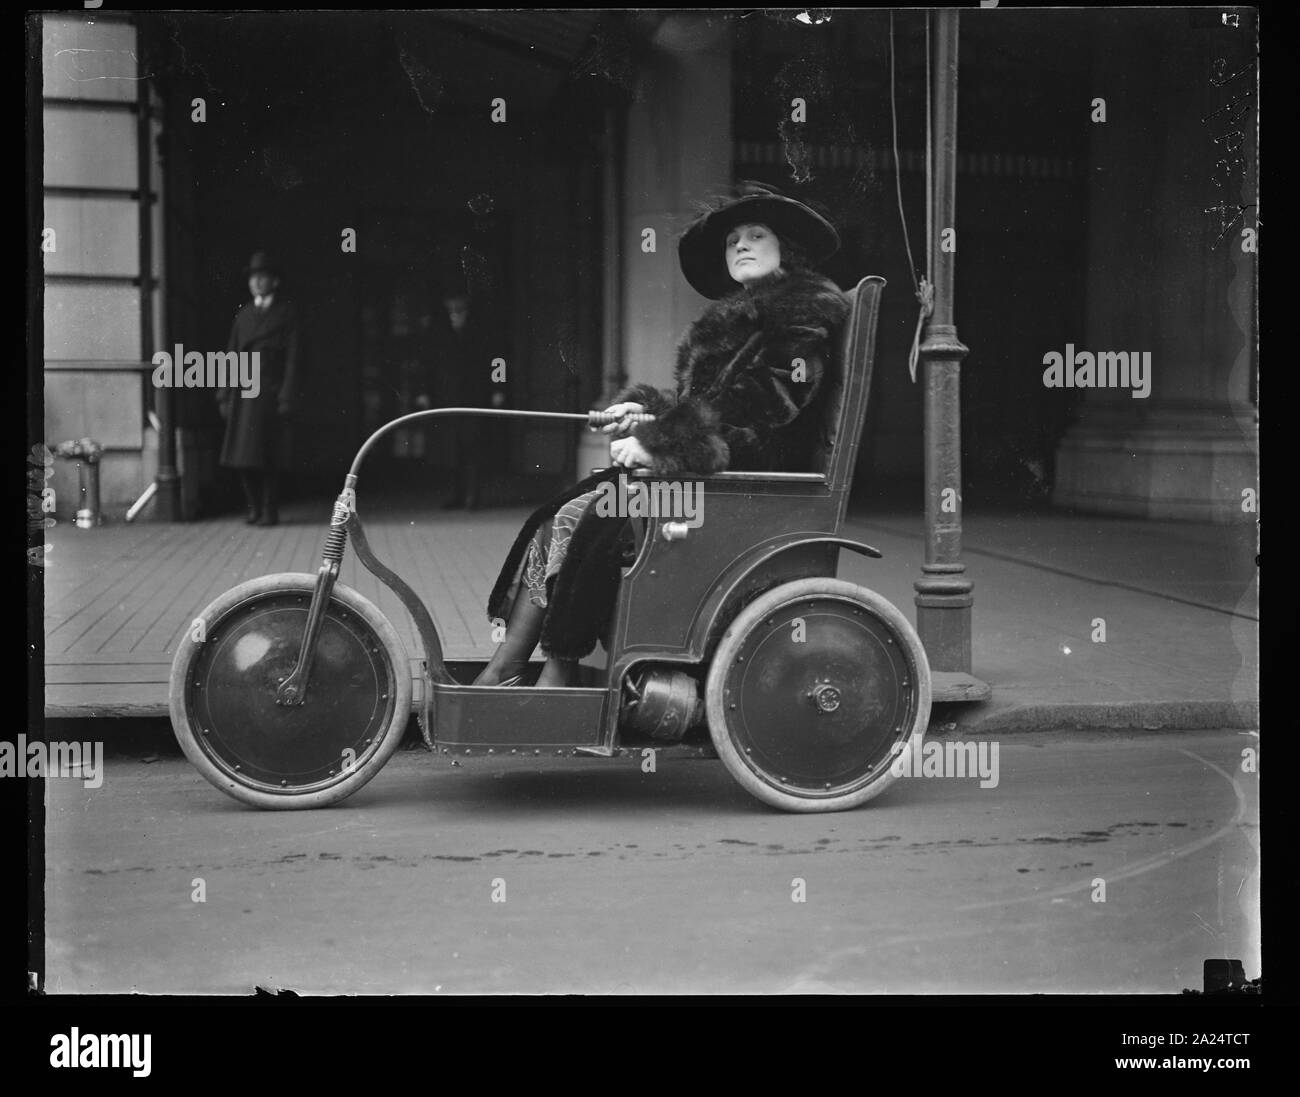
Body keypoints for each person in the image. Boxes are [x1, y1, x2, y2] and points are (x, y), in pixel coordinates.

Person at [475, 183, 850, 688]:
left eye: (756, 235)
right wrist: (646, 413)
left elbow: (766, 413)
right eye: (732, 239)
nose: (740, 245)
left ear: (789, 249)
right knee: (567, 512)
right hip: (711, 480)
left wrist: (659, 445)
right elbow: (708, 406)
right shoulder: (742, 321)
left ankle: (558, 667)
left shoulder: (801, 321)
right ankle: (514, 667)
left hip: (749, 487)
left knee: (603, 511)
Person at [218, 251, 301, 526]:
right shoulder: (244, 316)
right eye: (253, 278)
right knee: (242, 457)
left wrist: (286, 395)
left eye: (262, 277)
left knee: (268, 457)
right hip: (245, 394)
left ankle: (269, 510)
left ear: (274, 282)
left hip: (270, 392)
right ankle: (253, 507)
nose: (256, 283)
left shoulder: (287, 313)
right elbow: (231, 356)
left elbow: (293, 358)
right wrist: (225, 394)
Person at [424, 288, 496, 509]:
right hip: (448, 398)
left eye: (459, 309)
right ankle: (457, 495)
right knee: (452, 451)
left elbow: (496, 359)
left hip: (473, 397)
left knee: (472, 448)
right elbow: (430, 365)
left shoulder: (478, 331)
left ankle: (472, 496)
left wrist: (497, 389)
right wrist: (425, 393)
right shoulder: (439, 332)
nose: (455, 314)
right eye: (451, 310)